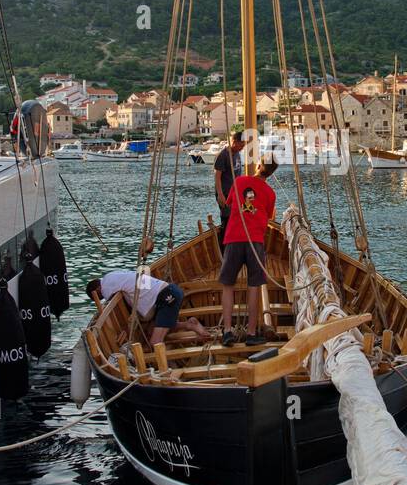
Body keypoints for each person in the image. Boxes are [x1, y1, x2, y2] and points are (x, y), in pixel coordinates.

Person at [219, 159, 277, 345]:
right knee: (254, 287)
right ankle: (251, 334)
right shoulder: (270, 193)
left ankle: (227, 331)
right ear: (272, 173)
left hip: (234, 239)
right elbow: (269, 217)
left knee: (228, 285)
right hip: (255, 242)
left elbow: (228, 203)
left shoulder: (239, 182)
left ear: (259, 165)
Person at [86, 269, 210, 346]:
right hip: (167, 292)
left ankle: (166, 371)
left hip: (166, 296)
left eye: (100, 297)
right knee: (152, 331)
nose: (103, 298)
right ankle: (189, 324)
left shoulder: (106, 286)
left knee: (155, 343)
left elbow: (112, 306)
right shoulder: (112, 276)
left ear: (97, 290)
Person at [214, 128, 246, 250]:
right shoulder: (223, 155)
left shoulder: (237, 153)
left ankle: (234, 246)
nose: (242, 147)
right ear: (234, 141)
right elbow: (217, 176)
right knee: (226, 220)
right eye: (240, 145)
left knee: (236, 219)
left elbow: (238, 174)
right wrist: (220, 195)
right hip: (225, 193)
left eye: (243, 145)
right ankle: (223, 250)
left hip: (235, 193)